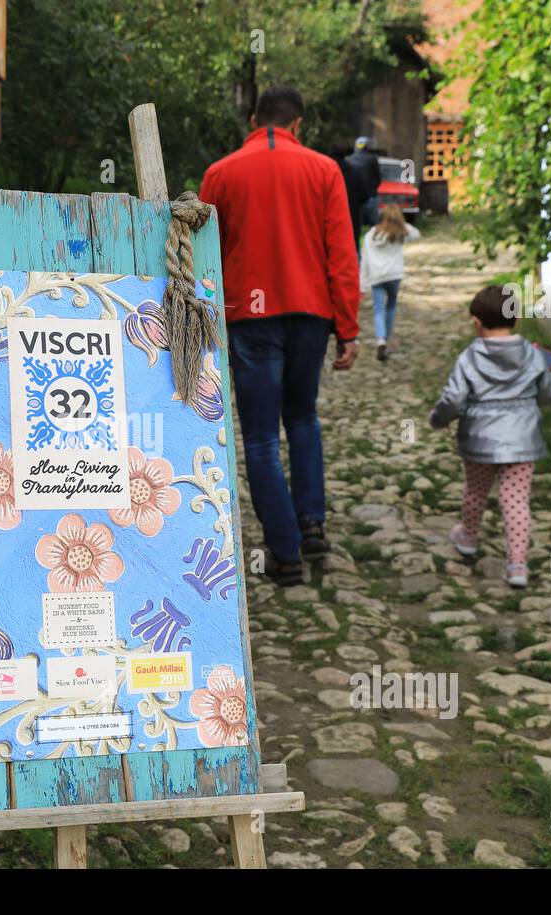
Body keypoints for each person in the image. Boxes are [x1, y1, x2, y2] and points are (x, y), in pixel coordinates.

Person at [199, 85, 360, 587]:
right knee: (304, 418)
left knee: (263, 437)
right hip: (310, 314)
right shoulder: (324, 170)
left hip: (250, 317)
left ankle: (285, 551)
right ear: (299, 124)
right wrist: (348, 327)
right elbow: (341, 252)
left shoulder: (221, 174)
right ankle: (313, 526)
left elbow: (206, 256)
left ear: (252, 119)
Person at [428, 285, 551, 588]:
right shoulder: (533, 355)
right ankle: (517, 565)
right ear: (516, 321)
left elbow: (453, 398)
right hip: (523, 440)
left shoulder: (469, 357)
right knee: (516, 500)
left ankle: (468, 537)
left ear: (476, 322)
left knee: (475, 490)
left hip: (480, 439)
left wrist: (438, 420)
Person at [359, 202, 420, 362]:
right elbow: (416, 234)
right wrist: (402, 223)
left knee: (379, 309)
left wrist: (362, 284)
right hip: (394, 276)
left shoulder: (370, 235)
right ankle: (387, 337)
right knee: (391, 306)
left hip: (377, 277)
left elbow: (364, 260)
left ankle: (381, 340)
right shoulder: (399, 234)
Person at [343, 136, 381, 246]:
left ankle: (357, 251)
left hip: (355, 199)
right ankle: (375, 248)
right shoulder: (372, 158)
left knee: (355, 228)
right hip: (370, 196)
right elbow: (378, 178)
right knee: (374, 227)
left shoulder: (349, 159)